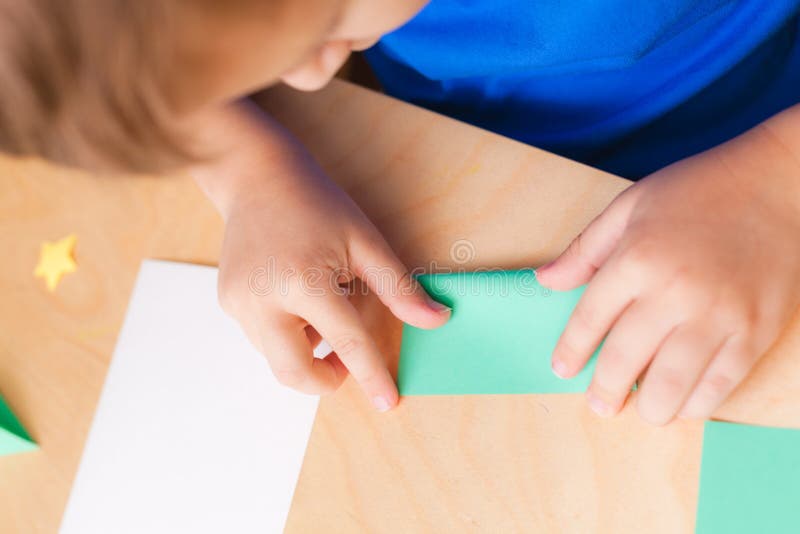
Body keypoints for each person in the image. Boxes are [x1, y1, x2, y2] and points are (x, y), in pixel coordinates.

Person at [1, 0, 799, 425]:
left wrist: (777, 187)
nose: (315, 79)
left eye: (327, 30)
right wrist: (245, 170)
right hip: (513, 166)